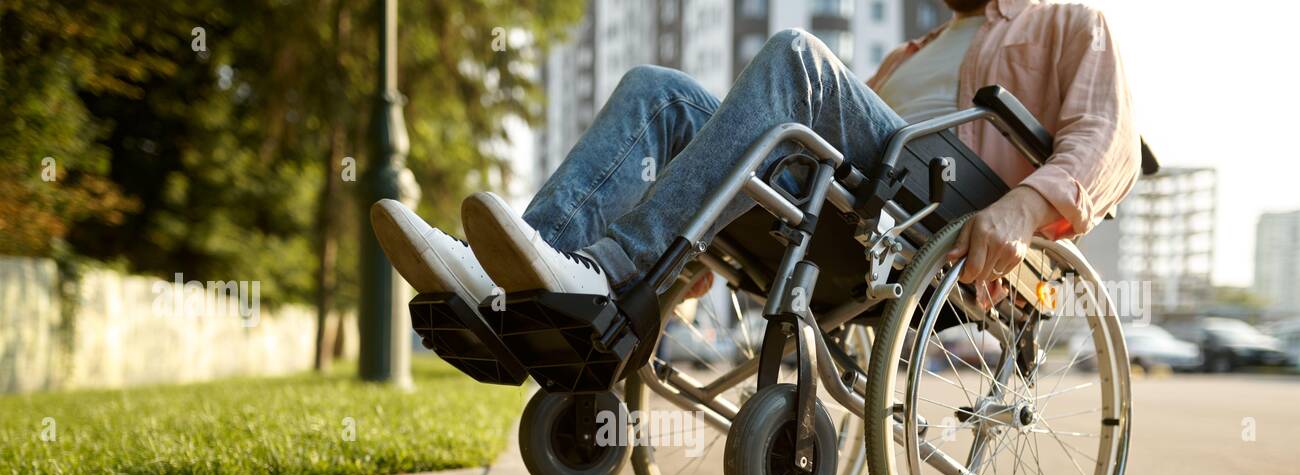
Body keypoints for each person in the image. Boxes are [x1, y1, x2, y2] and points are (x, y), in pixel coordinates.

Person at [372, 0, 1139, 321]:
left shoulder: (1067, 19)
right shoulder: (913, 51)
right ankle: (507, 276)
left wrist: (1024, 208)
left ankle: (602, 272)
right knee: (659, 93)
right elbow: (792, 135)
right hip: (846, 199)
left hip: (937, 214)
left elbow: (1108, 139)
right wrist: (702, 233)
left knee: (800, 62)